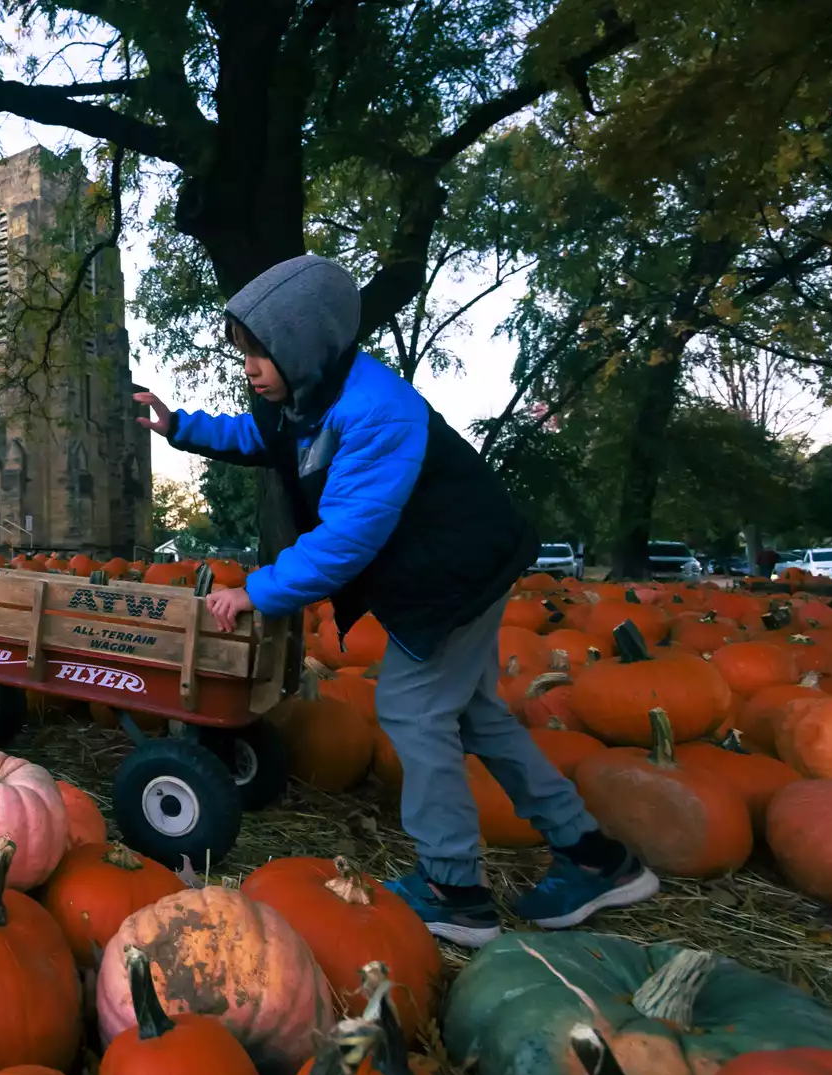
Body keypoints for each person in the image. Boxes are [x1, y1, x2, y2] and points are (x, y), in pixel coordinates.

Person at [135, 253, 657, 948]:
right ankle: (594, 856)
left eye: (260, 353)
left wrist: (255, 592)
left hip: (453, 578)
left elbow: (346, 538)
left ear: (304, 344)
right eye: (245, 354)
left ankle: (454, 890)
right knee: (477, 717)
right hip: (448, 573)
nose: (250, 369)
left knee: (413, 711)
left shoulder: (377, 413)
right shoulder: (310, 397)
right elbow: (262, 436)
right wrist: (179, 425)